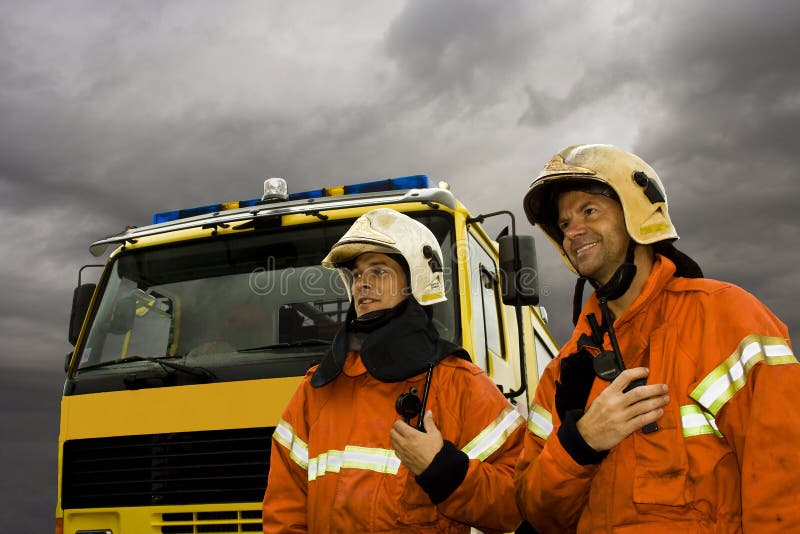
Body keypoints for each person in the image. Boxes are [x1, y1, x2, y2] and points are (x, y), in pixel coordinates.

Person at [514, 144, 799, 532]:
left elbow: (785, 484)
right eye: (563, 224)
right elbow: (536, 510)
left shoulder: (727, 317)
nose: (573, 232)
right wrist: (580, 443)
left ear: (638, 214)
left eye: (589, 211)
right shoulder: (565, 371)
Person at [263, 208, 525, 533]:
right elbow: (284, 510)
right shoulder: (317, 388)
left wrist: (444, 470)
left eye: (379, 271)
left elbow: (520, 501)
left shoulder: (459, 383)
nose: (362, 285)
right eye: (357, 275)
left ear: (416, 281)